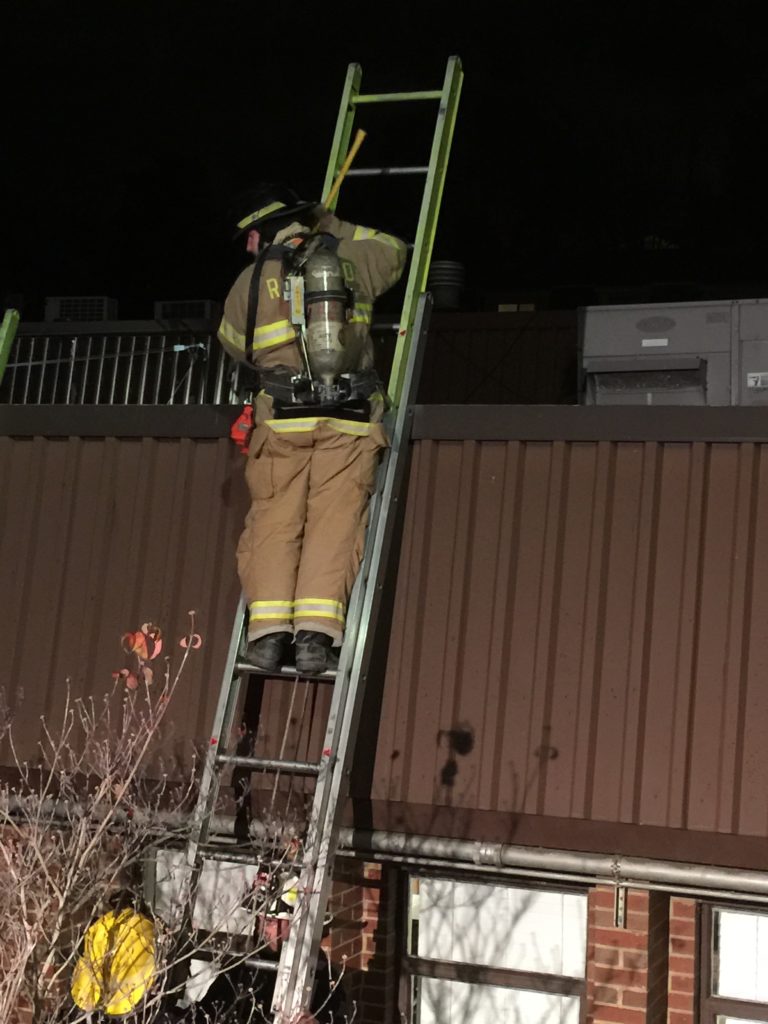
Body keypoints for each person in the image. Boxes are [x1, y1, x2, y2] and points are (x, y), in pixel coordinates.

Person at [218, 184, 407, 675]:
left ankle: (266, 637)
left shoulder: (248, 281)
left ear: (264, 233)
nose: (246, 246)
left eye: (249, 236)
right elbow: (396, 250)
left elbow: (235, 345)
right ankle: (314, 642)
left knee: (274, 523)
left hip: (282, 420)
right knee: (335, 524)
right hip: (348, 418)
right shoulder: (352, 260)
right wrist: (333, 226)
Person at [182, 873, 345, 1023]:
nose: (261, 930)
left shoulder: (324, 979)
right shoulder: (244, 970)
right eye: (259, 920)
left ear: (298, 925)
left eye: (269, 922)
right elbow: (206, 1014)